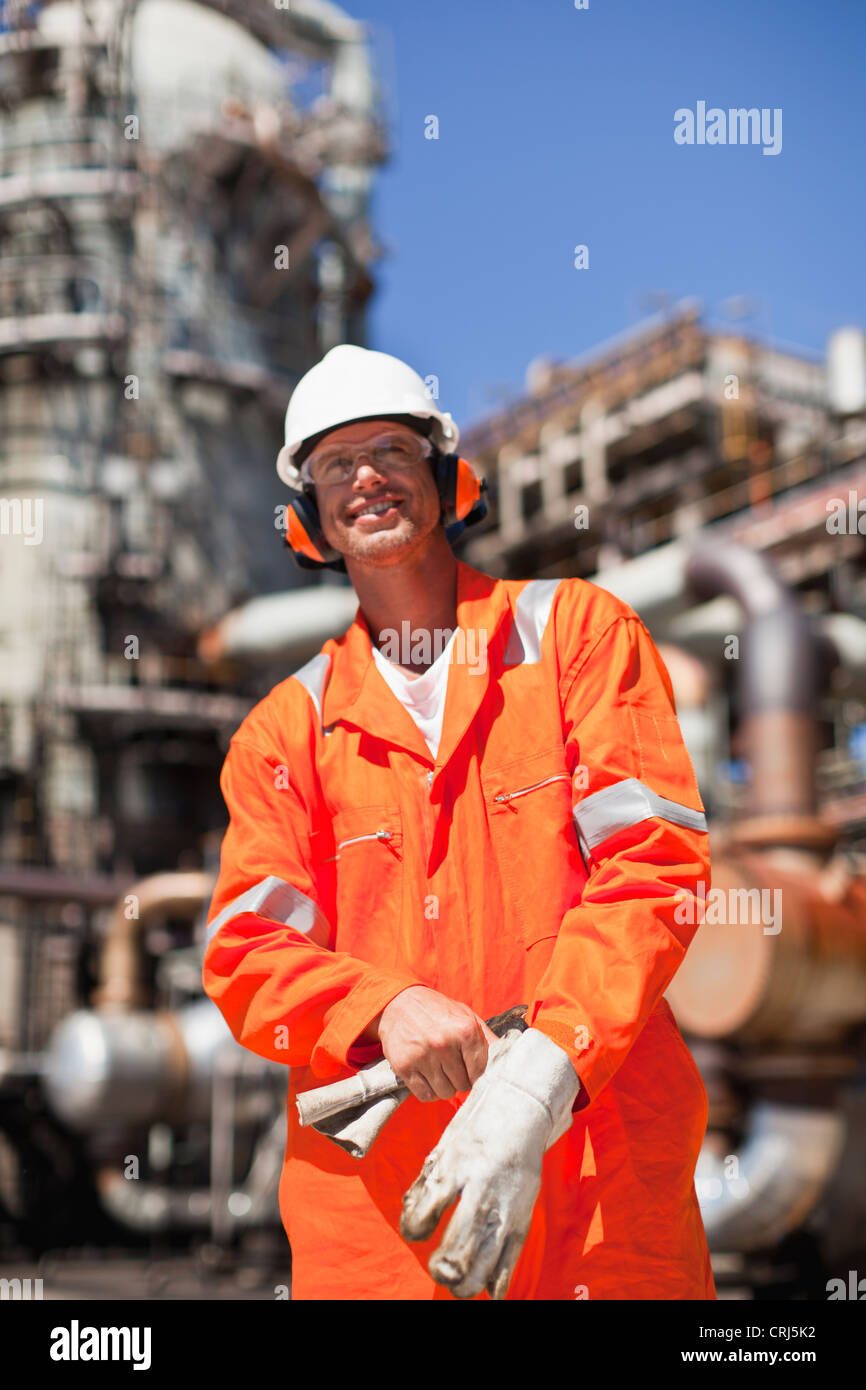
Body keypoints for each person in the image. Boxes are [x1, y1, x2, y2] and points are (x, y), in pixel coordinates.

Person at [202, 344, 716, 1301]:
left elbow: (653, 865)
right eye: (334, 464)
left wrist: (543, 1073)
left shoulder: (576, 637)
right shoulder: (288, 730)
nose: (366, 476)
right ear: (308, 518)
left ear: (445, 478)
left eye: (392, 449)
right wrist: (380, 1008)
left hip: (602, 1192)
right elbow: (244, 949)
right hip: (381, 1228)